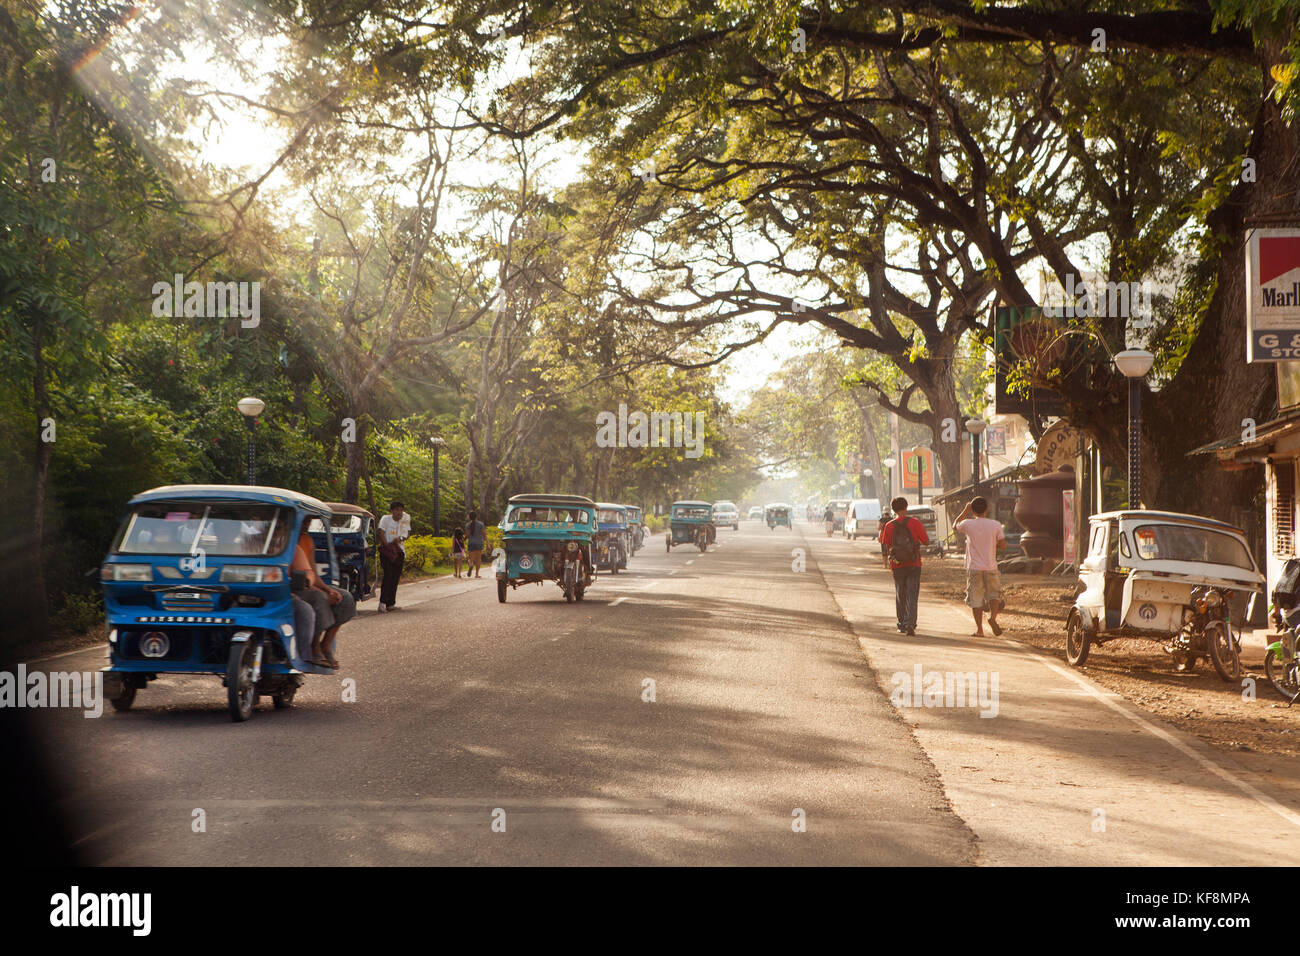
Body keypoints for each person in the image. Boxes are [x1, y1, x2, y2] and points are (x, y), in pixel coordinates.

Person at [291, 530, 355, 667]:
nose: (305, 524)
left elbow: (311, 573)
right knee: (319, 598)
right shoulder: (286, 542)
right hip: (293, 587)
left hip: (307, 584)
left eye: (308, 520)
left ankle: (325, 644)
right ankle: (314, 647)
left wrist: (328, 589)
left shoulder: (306, 541)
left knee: (346, 598)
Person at [954, 495, 1007, 637]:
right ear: (987, 509)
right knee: (994, 595)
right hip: (991, 566)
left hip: (975, 568)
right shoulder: (995, 524)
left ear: (973, 510)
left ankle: (980, 630)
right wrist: (991, 544)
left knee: (976, 598)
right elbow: (1002, 544)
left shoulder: (968, 524)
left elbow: (955, 526)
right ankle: (992, 618)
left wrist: (965, 510)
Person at [879, 497, 929, 636]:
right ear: (906, 507)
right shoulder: (915, 522)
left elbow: (886, 544)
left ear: (893, 509)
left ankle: (901, 623)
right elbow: (925, 541)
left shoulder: (889, 525)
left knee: (900, 593)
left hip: (897, 564)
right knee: (912, 594)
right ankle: (910, 623)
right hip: (914, 563)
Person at [377, 501, 411, 612]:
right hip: (387, 552)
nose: (399, 512)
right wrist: (387, 545)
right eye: (397, 510)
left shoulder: (404, 520)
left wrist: (400, 539)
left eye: (401, 510)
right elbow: (381, 532)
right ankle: (382, 602)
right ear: (391, 511)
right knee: (388, 576)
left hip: (399, 551)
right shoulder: (386, 519)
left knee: (395, 577)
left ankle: (391, 603)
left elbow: (407, 534)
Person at [465, 509, 486, 579]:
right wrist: (488, 543)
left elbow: (467, 535)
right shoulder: (481, 524)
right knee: (478, 559)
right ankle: (476, 574)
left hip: (471, 543)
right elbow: (484, 534)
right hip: (479, 543)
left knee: (471, 558)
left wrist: (463, 539)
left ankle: (470, 565)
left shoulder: (468, 525)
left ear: (469, 517)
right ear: (476, 516)